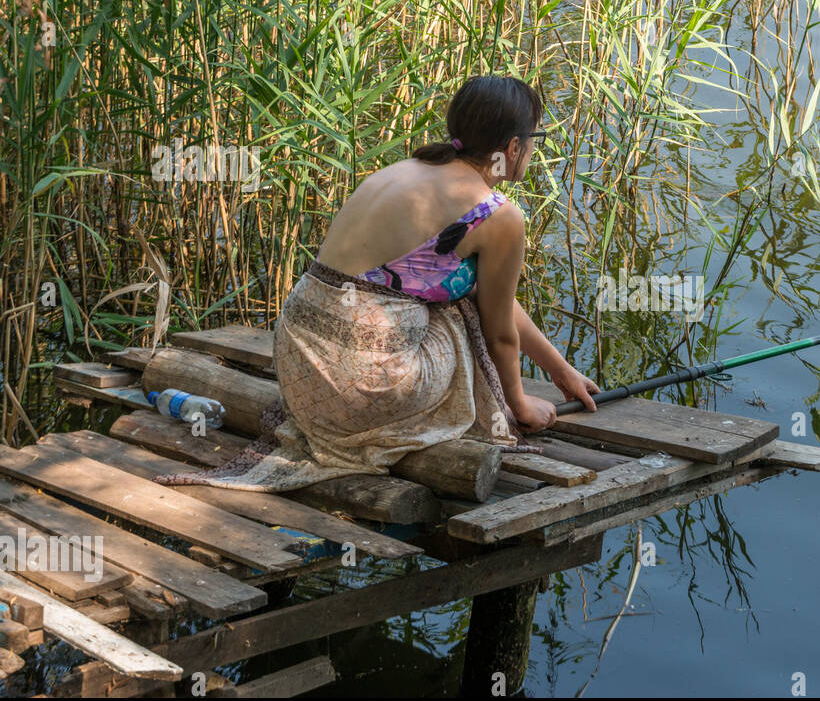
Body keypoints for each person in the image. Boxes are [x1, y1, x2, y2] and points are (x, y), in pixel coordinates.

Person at [154, 75, 599, 493]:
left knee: (457, 290)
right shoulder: (498, 215)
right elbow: (498, 328)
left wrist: (561, 370)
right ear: (514, 146)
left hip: (301, 372)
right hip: (364, 388)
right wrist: (517, 407)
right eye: (535, 141)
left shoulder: (403, 171)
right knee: (456, 310)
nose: (534, 152)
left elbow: (484, 292)